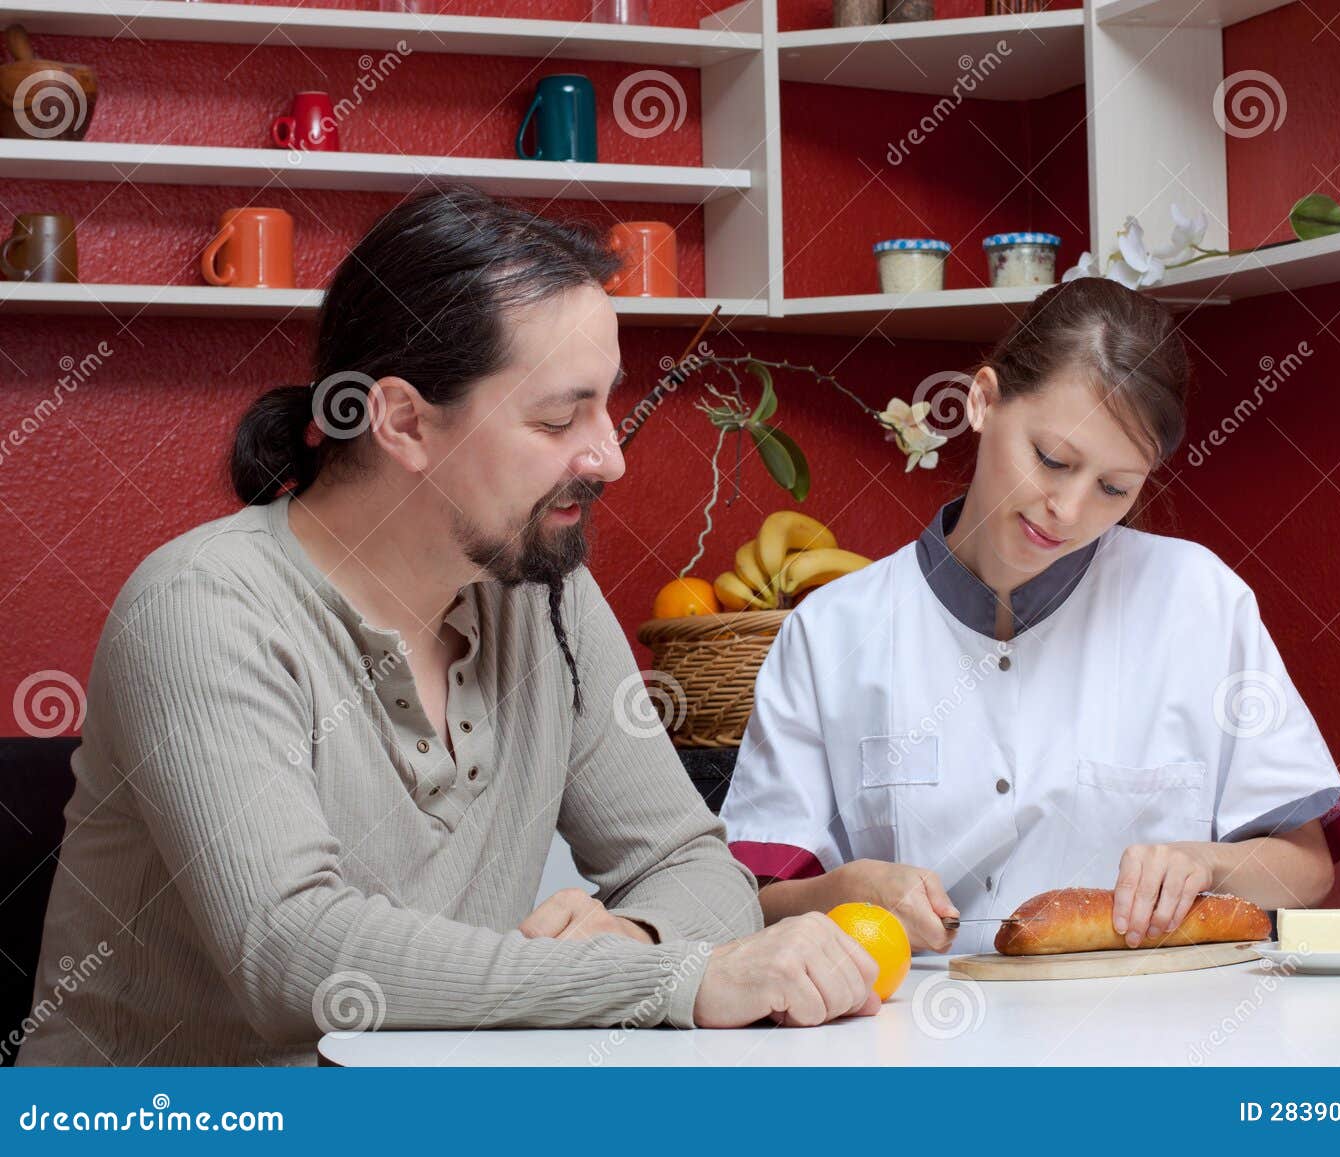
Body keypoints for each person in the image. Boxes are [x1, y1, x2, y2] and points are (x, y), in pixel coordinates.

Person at [17, 185, 879, 1067]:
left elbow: (692, 866)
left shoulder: (546, 597)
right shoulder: (200, 606)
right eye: (558, 417)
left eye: (604, 406)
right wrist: (664, 979)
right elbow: (292, 951)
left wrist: (637, 939)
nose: (610, 457)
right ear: (403, 422)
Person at [720, 277, 1340, 957]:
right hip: (920, 1019)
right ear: (982, 400)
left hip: (1160, 1015)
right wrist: (843, 889)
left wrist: (1205, 863)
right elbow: (745, 900)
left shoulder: (1199, 600)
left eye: (1114, 487)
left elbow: (1308, 866)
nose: (1068, 509)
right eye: (1052, 460)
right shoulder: (830, 632)